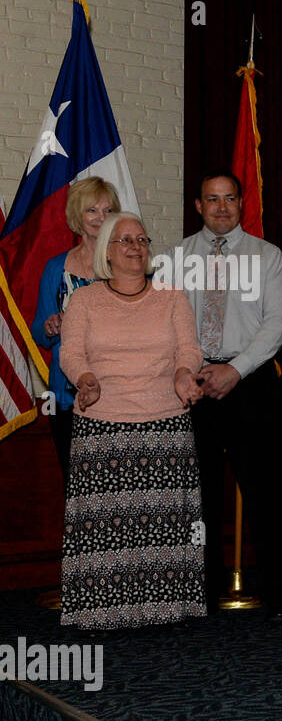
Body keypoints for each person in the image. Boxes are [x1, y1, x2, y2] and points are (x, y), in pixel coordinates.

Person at [58, 211, 206, 629]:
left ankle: (165, 607)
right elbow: (71, 354)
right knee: (105, 526)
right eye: (125, 240)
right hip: (102, 424)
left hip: (165, 423)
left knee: (163, 525)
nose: (136, 247)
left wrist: (183, 374)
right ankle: (103, 611)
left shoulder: (172, 296)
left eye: (141, 240)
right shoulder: (84, 299)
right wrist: (85, 379)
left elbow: (189, 350)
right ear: (106, 251)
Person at [174, 170, 282, 621]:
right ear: (198, 206)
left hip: (253, 385)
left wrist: (236, 369)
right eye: (212, 199)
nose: (222, 207)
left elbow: (278, 323)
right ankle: (197, 598)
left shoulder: (268, 257)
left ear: (242, 204)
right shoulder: (175, 258)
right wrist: (188, 371)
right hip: (193, 386)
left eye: (230, 199)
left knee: (268, 495)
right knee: (196, 500)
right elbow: (167, 323)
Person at [30, 176, 120, 479]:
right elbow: (38, 334)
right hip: (66, 394)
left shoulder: (128, 265)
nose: (100, 218)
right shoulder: (56, 267)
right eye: (91, 210)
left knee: (116, 482)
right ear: (76, 217)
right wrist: (51, 326)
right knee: (76, 483)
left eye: (108, 210)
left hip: (120, 392)